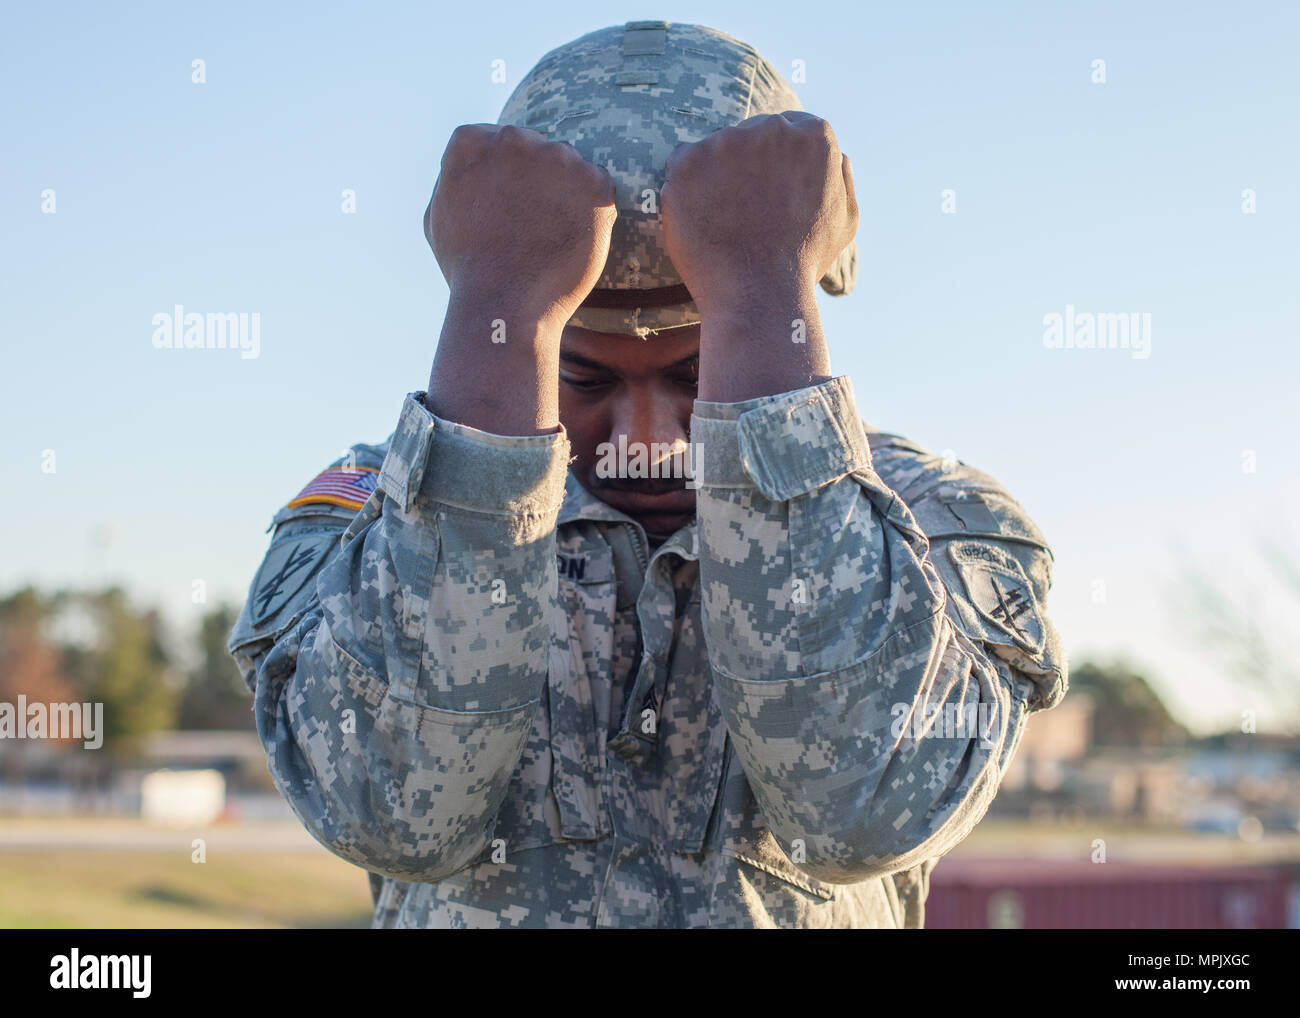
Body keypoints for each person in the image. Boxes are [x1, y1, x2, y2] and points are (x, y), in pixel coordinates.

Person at [228, 20, 1067, 928]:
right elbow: (387, 813)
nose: (647, 435)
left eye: (701, 373)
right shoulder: (376, 514)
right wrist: (495, 311)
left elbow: (861, 814)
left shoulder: (930, 517)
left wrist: (754, 296)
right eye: (583, 375)